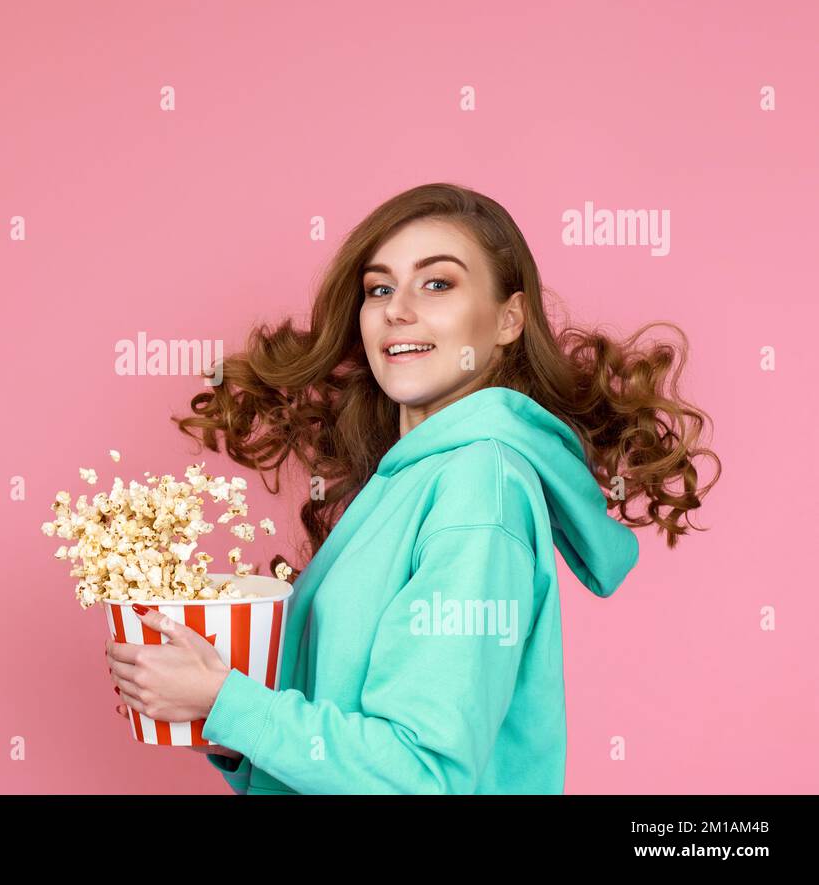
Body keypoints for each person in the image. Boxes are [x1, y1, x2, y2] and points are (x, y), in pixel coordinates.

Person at [106, 182, 720, 794]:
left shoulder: (478, 488)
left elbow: (424, 777)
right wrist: (226, 725)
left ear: (510, 319)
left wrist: (227, 700)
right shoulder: (407, 479)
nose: (398, 309)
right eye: (379, 289)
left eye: (438, 283)